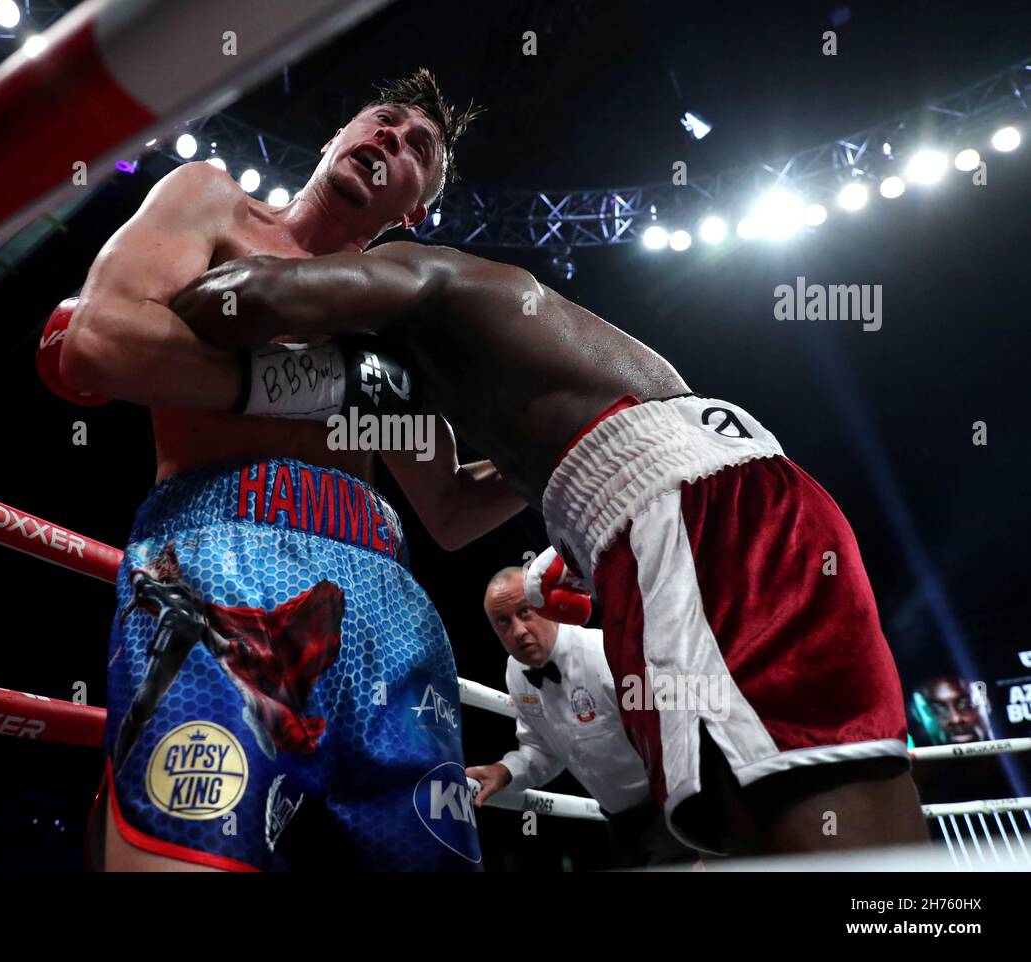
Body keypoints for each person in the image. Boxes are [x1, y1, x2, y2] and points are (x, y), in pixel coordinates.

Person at [166, 239, 931, 857]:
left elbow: (243, 297)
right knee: (788, 793)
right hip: (676, 516)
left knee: (797, 803)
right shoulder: (434, 375)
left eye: (415, 144)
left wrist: (194, 307)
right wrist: (356, 387)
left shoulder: (437, 272)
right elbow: (455, 514)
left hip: (691, 510)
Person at [45, 71, 524, 871]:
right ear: (341, 135)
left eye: (417, 149)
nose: (392, 140)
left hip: (389, 602)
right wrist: (316, 382)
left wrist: (586, 447)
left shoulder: (395, 315)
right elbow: (98, 343)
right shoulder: (212, 203)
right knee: (185, 852)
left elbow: (446, 506)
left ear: (415, 211)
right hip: (221, 561)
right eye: (385, 121)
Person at [469, 566, 695, 867]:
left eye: (525, 611)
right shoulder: (516, 673)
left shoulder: (607, 654)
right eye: (503, 622)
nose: (519, 631)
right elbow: (541, 750)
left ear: (546, 606)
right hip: (620, 821)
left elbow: (674, 725)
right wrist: (505, 771)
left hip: (669, 806)